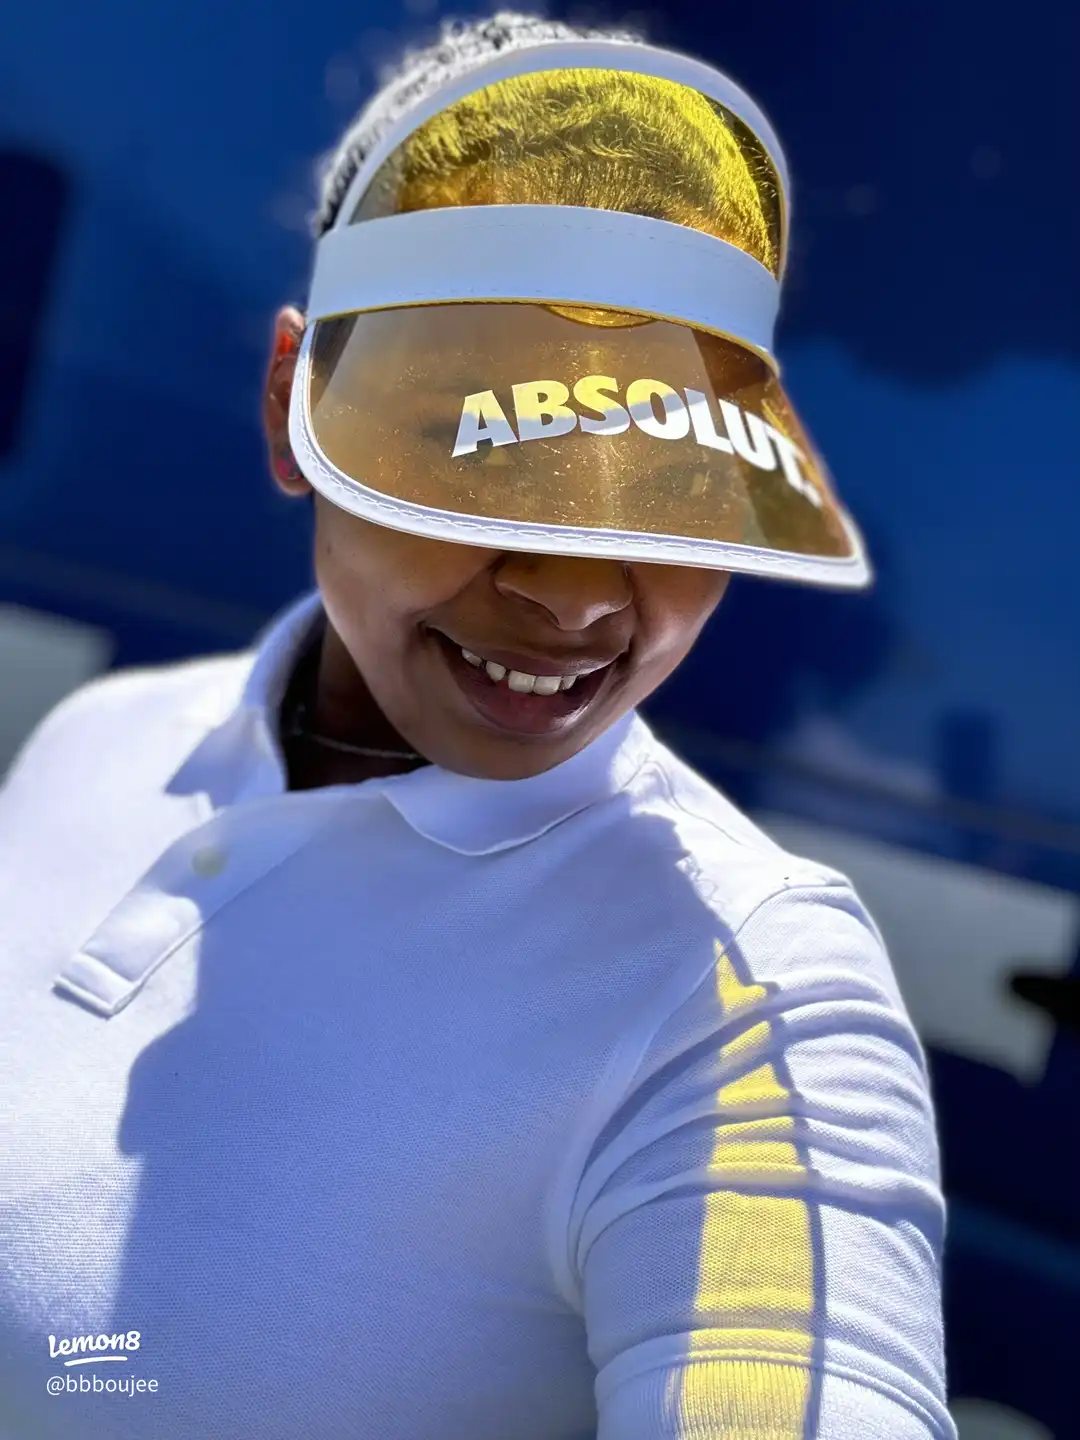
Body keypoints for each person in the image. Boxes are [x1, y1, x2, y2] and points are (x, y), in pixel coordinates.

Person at [0, 12, 954, 1439]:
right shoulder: (101, 738)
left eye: (667, 485)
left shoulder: (753, 998)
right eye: (472, 444)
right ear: (291, 404)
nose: (573, 598)